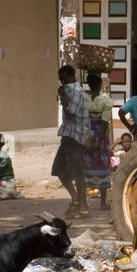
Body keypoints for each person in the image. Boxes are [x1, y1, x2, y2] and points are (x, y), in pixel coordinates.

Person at [53, 65, 90, 218]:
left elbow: (70, 114)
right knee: (59, 169)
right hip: (68, 136)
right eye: (60, 80)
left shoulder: (75, 91)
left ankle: (82, 206)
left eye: (64, 79)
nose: (62, 83)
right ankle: (76, 200)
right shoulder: (69, 90)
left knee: (78, 173)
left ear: (71, 76)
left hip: (76, 137)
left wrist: (62, 96)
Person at [85, 72, 114, 210]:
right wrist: (98, 141)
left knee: (87, 166)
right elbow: (104, 122)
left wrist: (90, 139)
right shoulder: (106, 101)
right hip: (98, 136)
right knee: (101, 166)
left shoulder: (84, 99)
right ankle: (102, 203)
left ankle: (84, 202)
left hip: (88, 134)